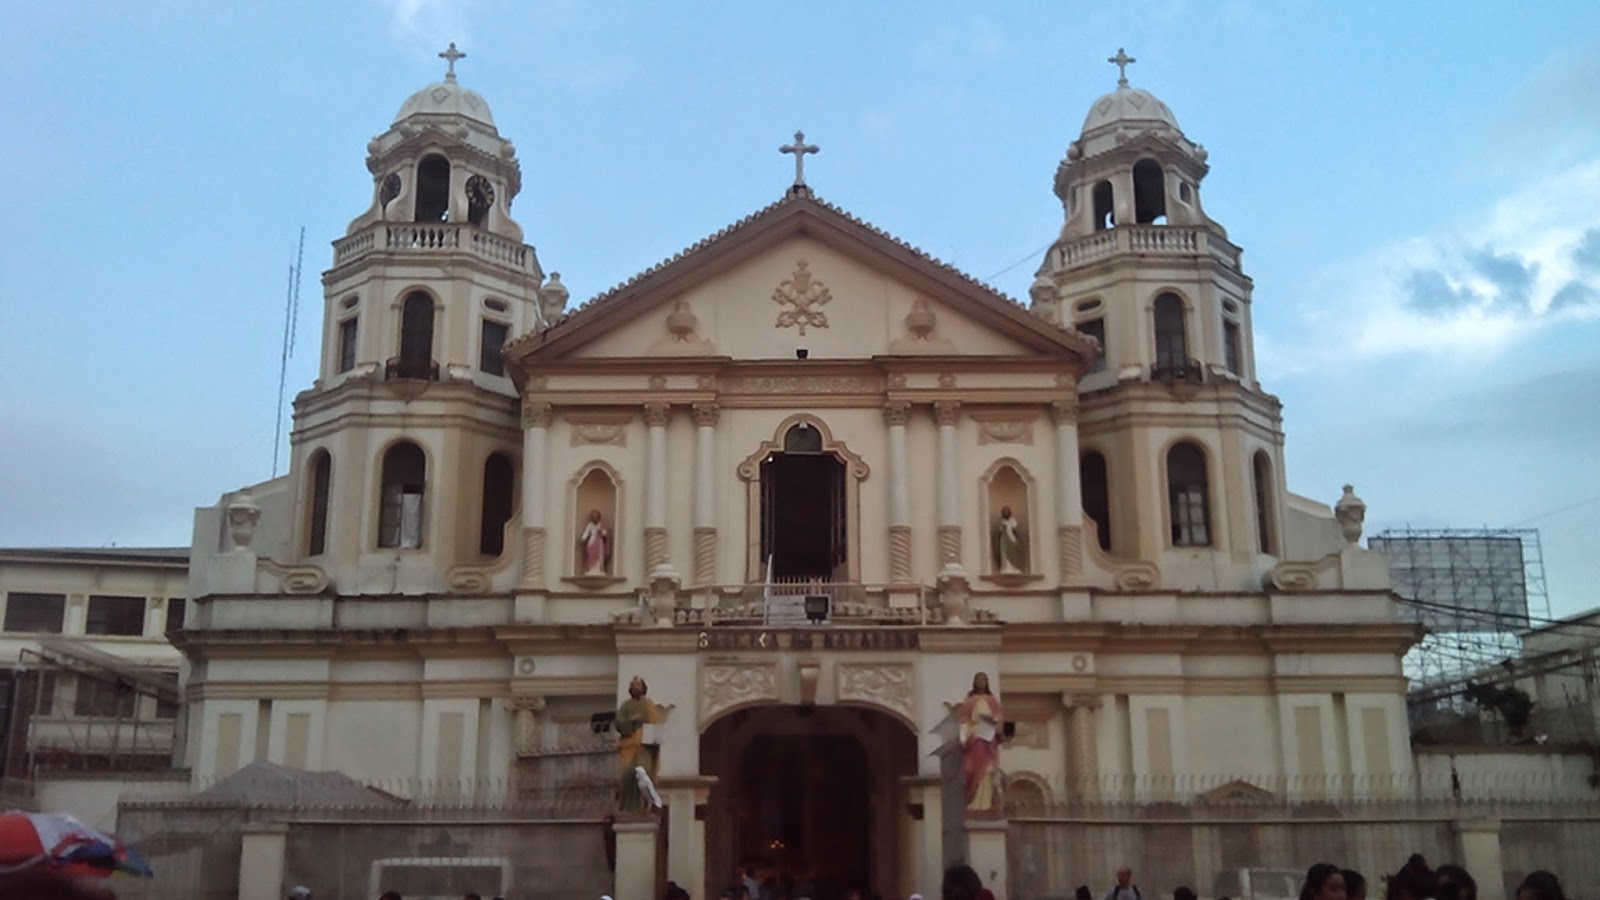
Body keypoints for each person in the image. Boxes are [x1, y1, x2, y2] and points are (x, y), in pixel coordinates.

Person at [958, 671, 1004, 815]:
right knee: (971, 770)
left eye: (983, 680)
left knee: (988, 771)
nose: (981, 682)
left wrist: (994, 722)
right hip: (974, 738)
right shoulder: (970, 701)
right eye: (978, 680)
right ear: (974, 682)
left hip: (988, 740)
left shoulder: (992, 701)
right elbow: (963, 721)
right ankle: (974, 802)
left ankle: (986, 804)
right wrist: (965, 736)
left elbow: (1000, 720)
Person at [615, 675, 663, 812]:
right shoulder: (626, 705)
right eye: (634, 685)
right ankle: (627, 808)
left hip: (644, 746)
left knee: (644, 775)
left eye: (638, 685)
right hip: (629, 746)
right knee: (627, 775)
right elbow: (619, 722)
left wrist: (651, 739)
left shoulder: (648, 705)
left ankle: (645, 805)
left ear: (643, 688)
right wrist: (631, 721)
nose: (636, 687)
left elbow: (654, 725)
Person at [991, 505, 1025, 574]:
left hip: (1012, 539)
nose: (1005, 513)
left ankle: (1014, 567)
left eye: (1007, 511)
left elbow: (1016, 531)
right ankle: (1005, 567)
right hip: (1004, 540)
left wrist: (1012, 531)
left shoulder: (1013, 521)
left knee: (1013, 552)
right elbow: (999, 533)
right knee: (1004, 553)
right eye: (1004, 512)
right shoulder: (1001, 522)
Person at [579, 508, 612, 575]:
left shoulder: (601, 525)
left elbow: (605, 534)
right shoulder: (590, 525)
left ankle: (599, 569)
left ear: (598, 517)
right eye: (593, 517)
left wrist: (601, 532)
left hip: (599, 543)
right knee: (590, 555)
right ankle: (591, 569)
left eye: (595, 517)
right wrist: (583, 539)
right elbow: (586, 532)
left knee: (599, 556)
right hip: (591, 542)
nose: (594, 518)